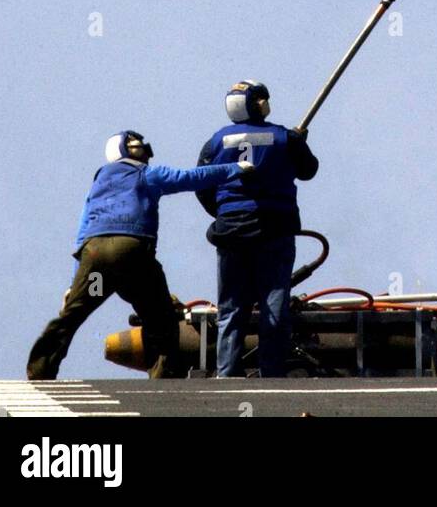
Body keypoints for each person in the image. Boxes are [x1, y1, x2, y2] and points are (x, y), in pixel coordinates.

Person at [27, 130, 250, 381]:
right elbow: (191, 177)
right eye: (136, 145)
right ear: (124, 150)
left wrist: (73, 283)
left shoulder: (99, 182)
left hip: (96, 257)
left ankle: (40, 370)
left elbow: (83, 229)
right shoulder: (147, 174)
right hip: (132, 255)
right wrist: (236, 168)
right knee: (161, 319)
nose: (144, 148)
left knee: (73, 314)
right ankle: (162, 379)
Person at [197, 80, 319, 378]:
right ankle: (271, 374)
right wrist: (299, 141)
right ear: (260, 104)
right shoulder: (283, 138)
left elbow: (202, 184)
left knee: (231, 307)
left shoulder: (215, 142)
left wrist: (224, 212)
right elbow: (309, 170)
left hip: (231, 233)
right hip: (274, 231)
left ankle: (226, 373)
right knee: (274, 303)